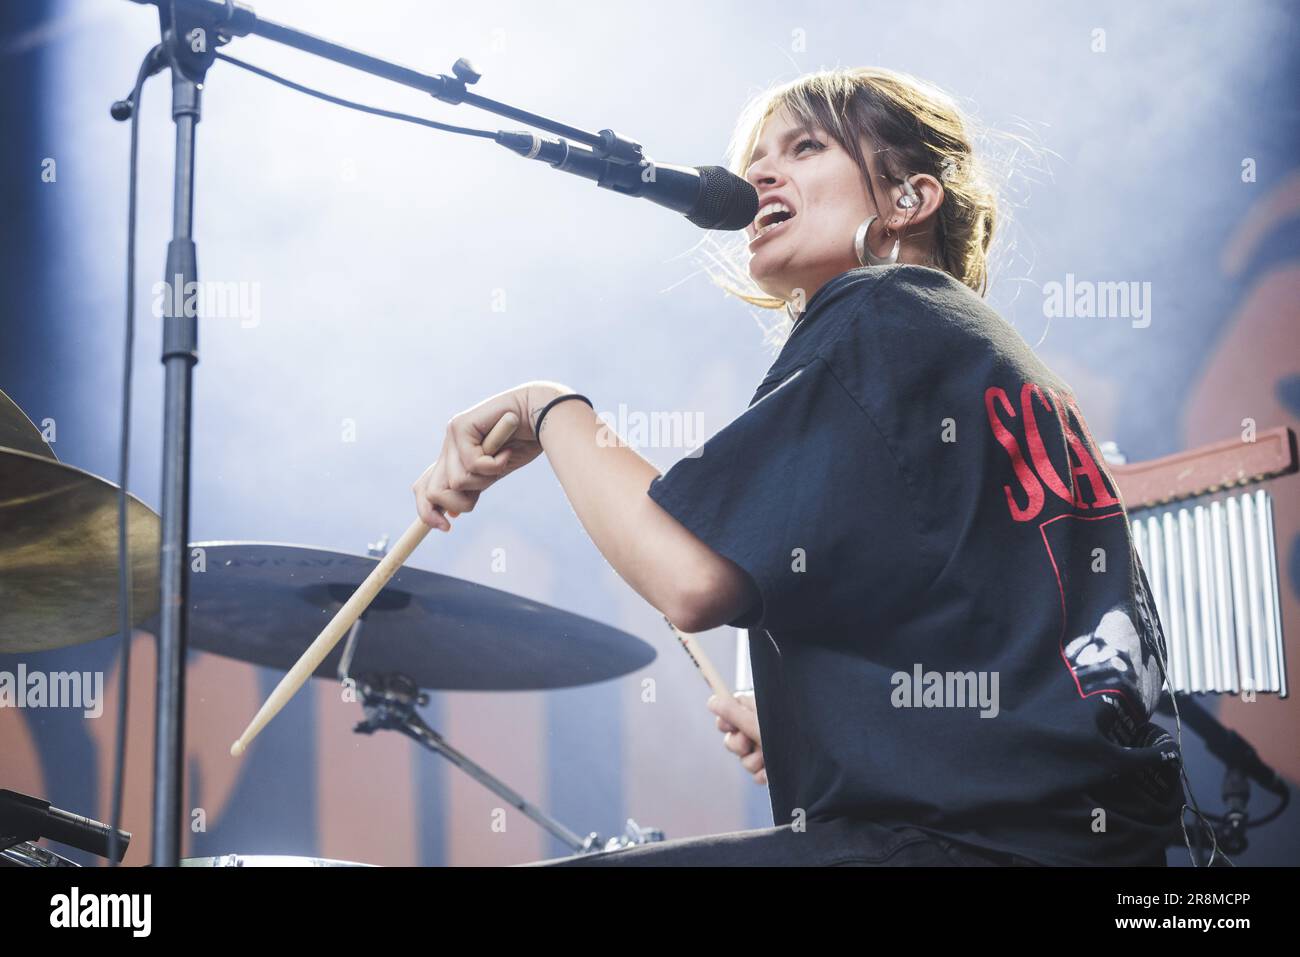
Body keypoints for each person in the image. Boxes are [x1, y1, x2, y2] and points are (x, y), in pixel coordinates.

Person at [412, 67, 1183, 866]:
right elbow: (994, 646)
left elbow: (693, 580)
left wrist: (551, 410)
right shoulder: (976, 351)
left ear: (909, 200)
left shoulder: (878, 314)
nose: (759, 175)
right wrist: (824, 730)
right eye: (756, 157)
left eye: (806, 147)